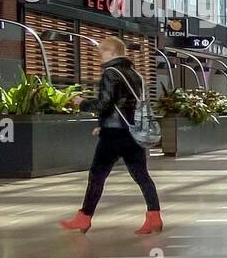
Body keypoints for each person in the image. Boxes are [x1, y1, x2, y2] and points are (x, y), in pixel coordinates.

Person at [59, 36, 163, 235]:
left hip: (114, 136)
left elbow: (104, 104)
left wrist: (81, 102)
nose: (100, 57)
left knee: (97, 175)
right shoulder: (135, 74)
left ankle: (84, 218)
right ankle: (154, 217)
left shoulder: (110, 72)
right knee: (142, 176)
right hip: (134, 132)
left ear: (113, 52)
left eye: (102, 52)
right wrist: (103, 124)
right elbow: (126, 105)